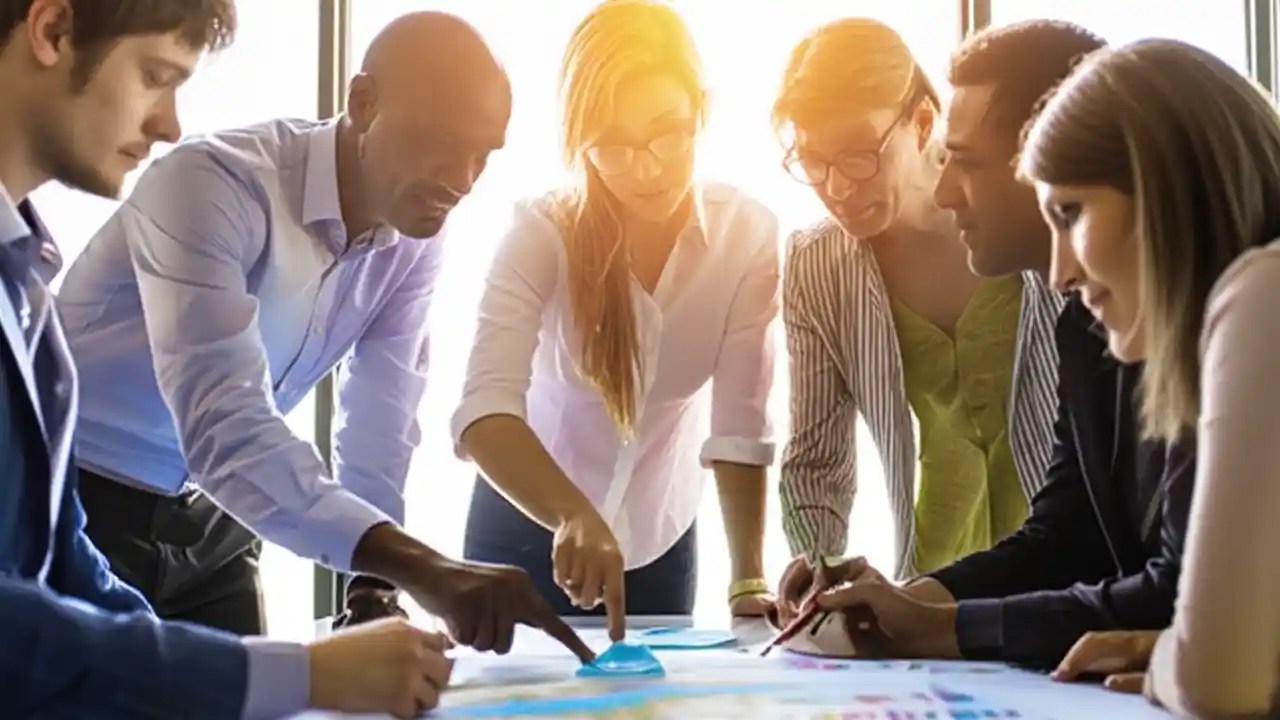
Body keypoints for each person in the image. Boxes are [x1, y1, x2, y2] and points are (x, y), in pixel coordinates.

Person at [55, 9, 592, 660]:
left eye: (484, 153)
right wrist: (429, 570)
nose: (464, 177)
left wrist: (373, 587)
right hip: (81, 501)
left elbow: (380, 421)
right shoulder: (209, 184)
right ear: (363, 102)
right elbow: (224, 427)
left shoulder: (416, 235)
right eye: (441, 141)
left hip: (221, 521)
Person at [0, 1, 457, 718]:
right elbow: (226, 423)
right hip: (111, 490)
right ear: (52, 30)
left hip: (207, 519)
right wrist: (303, 672)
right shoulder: (213, 180)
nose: (169, 123)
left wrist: (358, 599)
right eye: (155, 76)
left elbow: (65, 568)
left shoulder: (22, 274)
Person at [786, 20, 1198, 674]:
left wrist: (936, 627)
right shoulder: (1086, 319)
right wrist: (911, 606)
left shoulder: (1219, 316)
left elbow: (1185, 589)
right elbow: (1072, 531)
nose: (947, 191)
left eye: (967, 162)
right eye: (813, 162)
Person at [452, 0, 779, 639]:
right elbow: (485, 410)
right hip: (525, 529)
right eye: (613, 145)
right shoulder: (539, 232)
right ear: (581, 142)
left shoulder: (748, 236)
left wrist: (747, 581)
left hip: (659, 541)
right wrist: (574, 515)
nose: (646, 166)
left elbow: (740, 425)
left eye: (666, 132)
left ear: (701, 111)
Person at [1021, 39, 1280, 717]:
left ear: (1166, 184)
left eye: (1070, 213)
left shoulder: (1263, 294)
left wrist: (1180, 655)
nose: (1059, 274)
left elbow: (1216, 687)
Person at [773, 17, 1061, 598]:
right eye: (812, 161)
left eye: (858, 155)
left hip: (1069, 569)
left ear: (923, 121)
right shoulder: (818, 266)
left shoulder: (1026, 211)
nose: (836, 185)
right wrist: (818, 568)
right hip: (934, 581)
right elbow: (815, 461)